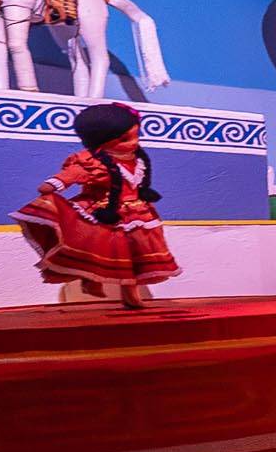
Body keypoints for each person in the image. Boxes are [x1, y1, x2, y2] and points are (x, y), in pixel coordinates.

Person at [13, 102, 179, 306]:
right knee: (101, 250)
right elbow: (73, 174)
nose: (134, 142)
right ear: (101, 141)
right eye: (124, 139)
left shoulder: (137, 160)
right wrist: (55, 183)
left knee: (134, 256)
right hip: (105, 213)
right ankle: (93, 280)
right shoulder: (93, 162)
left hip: (138, 213)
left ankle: (129, 293)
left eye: (136, 136)